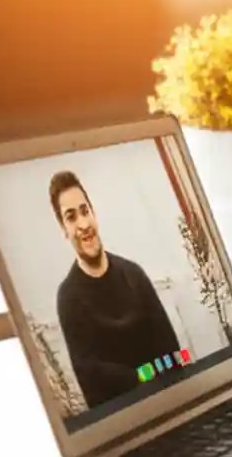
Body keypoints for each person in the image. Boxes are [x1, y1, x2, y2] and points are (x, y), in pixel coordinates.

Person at [50, 170, 181, 410]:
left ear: (94, 213)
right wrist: (147, 374)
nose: (83, 224)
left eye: (85, 211)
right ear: (63, 229)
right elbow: (94, 388)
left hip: (169, 404)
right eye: (71, 217)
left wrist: (139, 377)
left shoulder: (134, 275)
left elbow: (174, 357)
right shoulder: (69, 299)